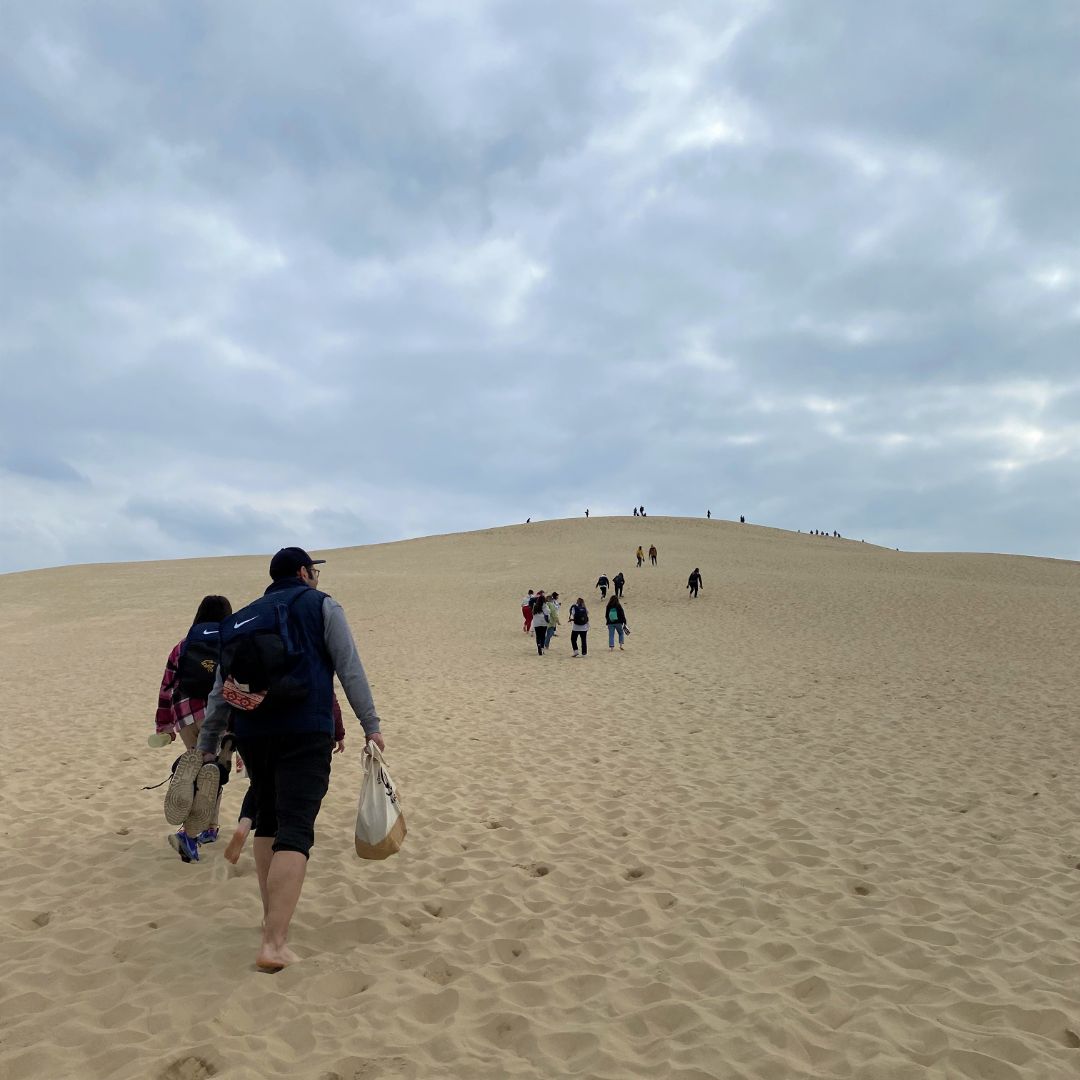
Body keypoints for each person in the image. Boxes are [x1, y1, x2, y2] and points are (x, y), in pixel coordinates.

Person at [196, 547, 384, 972]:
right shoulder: (321, 605)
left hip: (252, 733)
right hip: (305, 727)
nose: (315, 576)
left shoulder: (239, 618)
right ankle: (274, 942)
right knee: (296, 829)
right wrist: (370, 724)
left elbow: (219, 690)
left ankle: (271, 918)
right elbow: (349, 668)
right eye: (313, 570)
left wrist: (208, 741)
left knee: (268, 819)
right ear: (303, 572)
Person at [156, 594, 233, 862]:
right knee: (215, 774)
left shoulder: (183, 645)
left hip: (186, 715)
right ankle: (196, 832)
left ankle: (203, 826)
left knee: (197, 767)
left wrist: (164, 725)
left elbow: (167, 686)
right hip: (221, 717)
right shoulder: (231, 641)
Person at [531, 590, 549, 656]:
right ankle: (542, 648)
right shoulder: (545, 606)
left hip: (536, 623)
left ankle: (538, 645)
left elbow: (533, 613)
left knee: (538, 636)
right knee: (543, 636)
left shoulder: (535, 606)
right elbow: (547, 613)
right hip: (544, 622)